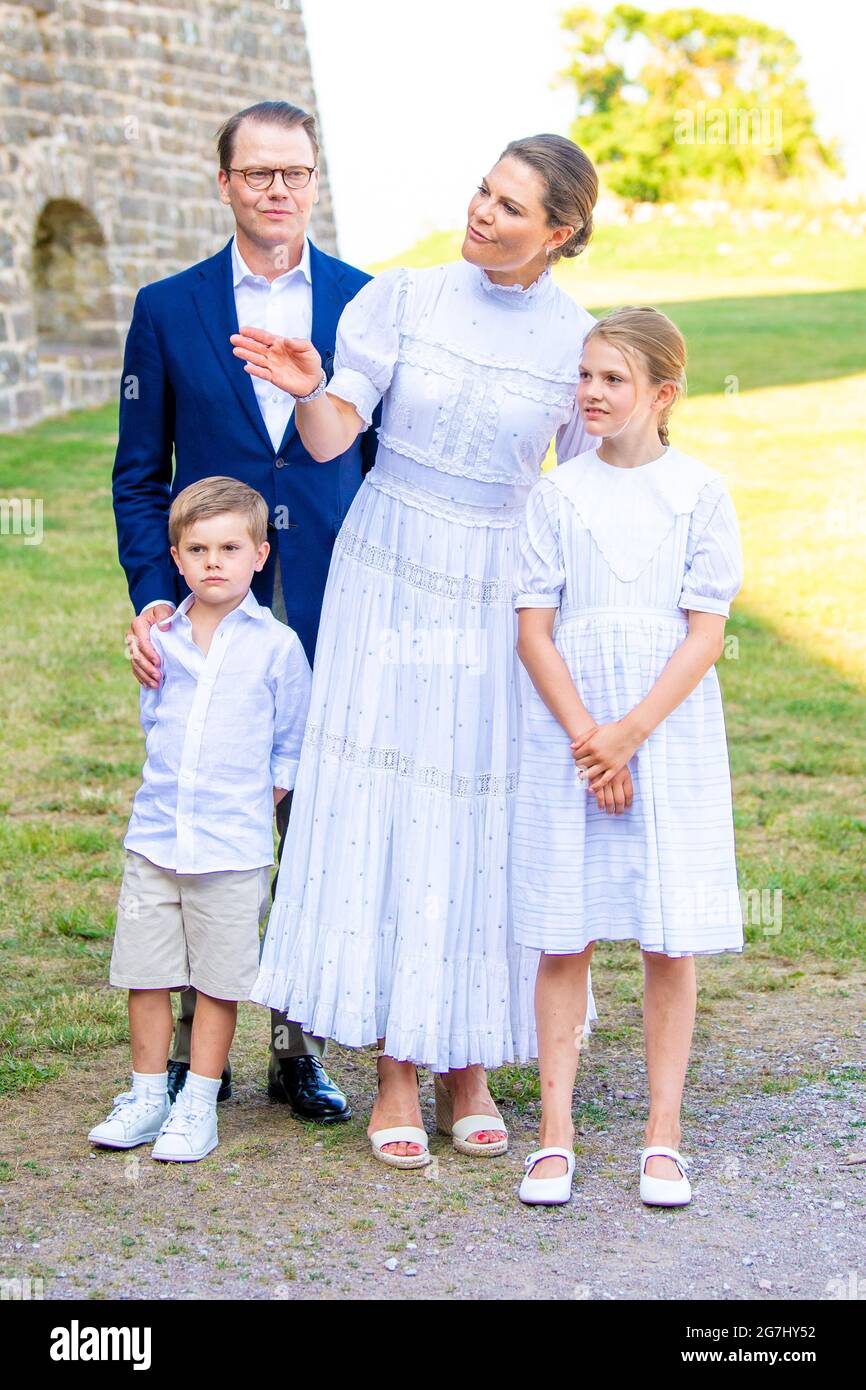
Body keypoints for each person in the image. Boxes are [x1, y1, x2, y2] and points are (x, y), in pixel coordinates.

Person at [232, 134, 602, 1168]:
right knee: (394, 805)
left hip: (498, 586)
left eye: (510, 207)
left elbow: (576, 497)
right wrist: (311, 385)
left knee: (477, 807)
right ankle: (397, 1063)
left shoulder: (575, 339)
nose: (482, 212)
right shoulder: (401, 299)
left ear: (557, 233)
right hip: (389, 565)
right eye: (482, 189)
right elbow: (325, 436)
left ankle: (468, 1061)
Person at [112, 100, 378, 1122]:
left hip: (330, 594)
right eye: (258, 173)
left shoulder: (361, 303)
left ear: (316, 179)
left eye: (296, 173)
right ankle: (179, 1053)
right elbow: (139, 476)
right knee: (197, 816)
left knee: (310, 818)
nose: (278, 190)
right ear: (222, 182)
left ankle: (292, 1042)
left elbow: (379, 458)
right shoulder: (168, 307)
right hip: (208, 608)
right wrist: (153, 599)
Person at [512, 307, 744, 1207]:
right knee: (564, 930)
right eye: (585, 376)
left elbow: (704, 633)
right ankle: (556, 1133)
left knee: (665, 934)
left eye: (613, 379)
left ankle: (663, 1132)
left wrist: (631, 736)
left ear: (663, 393)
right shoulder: (557, 495)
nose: (592, 394)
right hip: (571, 734)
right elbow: (535, 632)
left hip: (665, 730)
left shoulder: (700, 493)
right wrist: (591, 744)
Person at [89, 478, 312, 1161]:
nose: (214, 561)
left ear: (259, 555)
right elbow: (155, 724)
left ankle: (198, 1102)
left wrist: (252, 806)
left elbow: (290, 746)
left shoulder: (277, 648)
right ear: (177, 558)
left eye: (230, 548)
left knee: (219, 980)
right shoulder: (162, 642)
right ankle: (148, 1094)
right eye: (198, 549)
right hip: (156, 840)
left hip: (232, 849)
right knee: (146, 973)